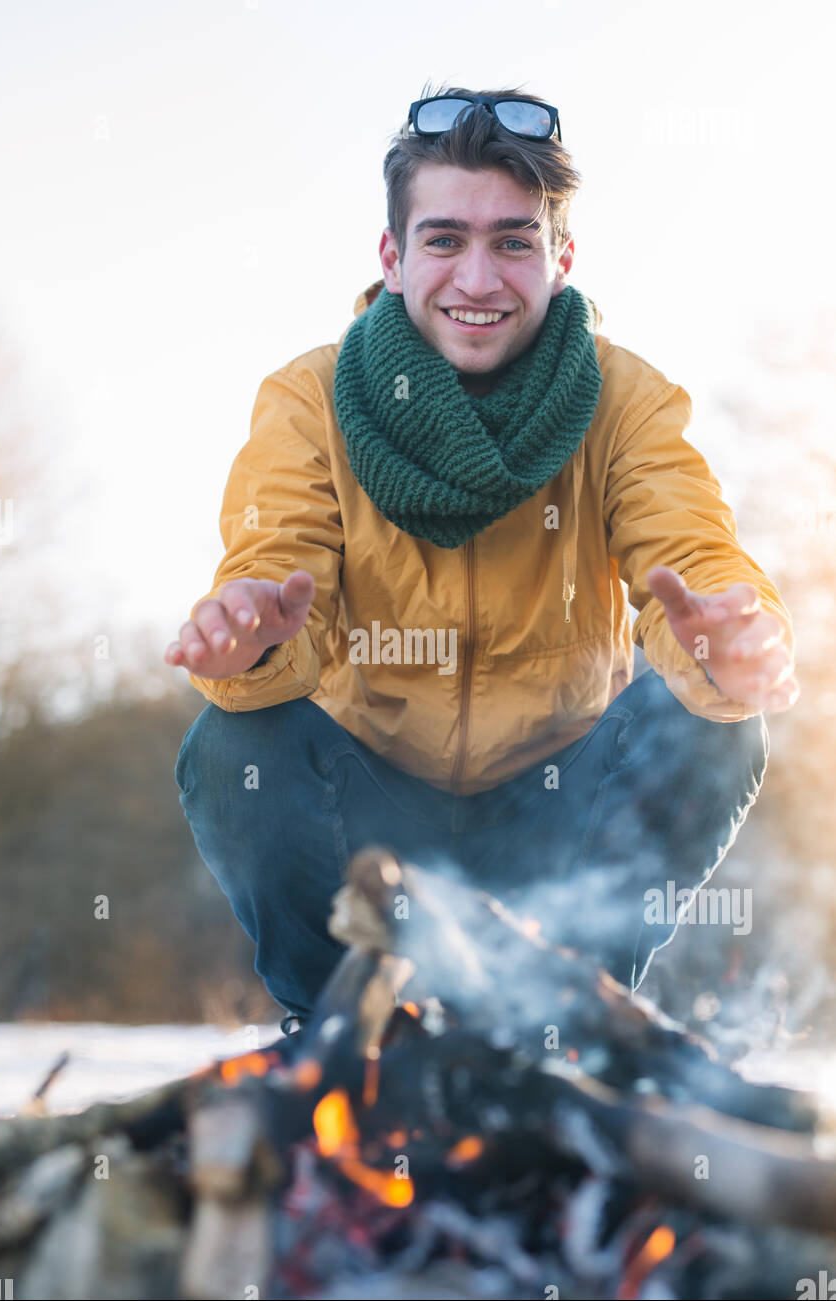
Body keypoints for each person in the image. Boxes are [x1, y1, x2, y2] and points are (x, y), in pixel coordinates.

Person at [165, 86, 798, 1033]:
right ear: (392, 256)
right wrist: (251, 635)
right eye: (445, 239)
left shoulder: (626, 401)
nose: (478, 278)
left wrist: (726, 642)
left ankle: (566, 1019)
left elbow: (694, 553)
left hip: (554, 822)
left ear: (560, 258)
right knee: (232, 746)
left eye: (513, 241)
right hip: (370, 823)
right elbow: (276, 556)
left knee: (715, 724)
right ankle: (338, 1025)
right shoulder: (309, 398)